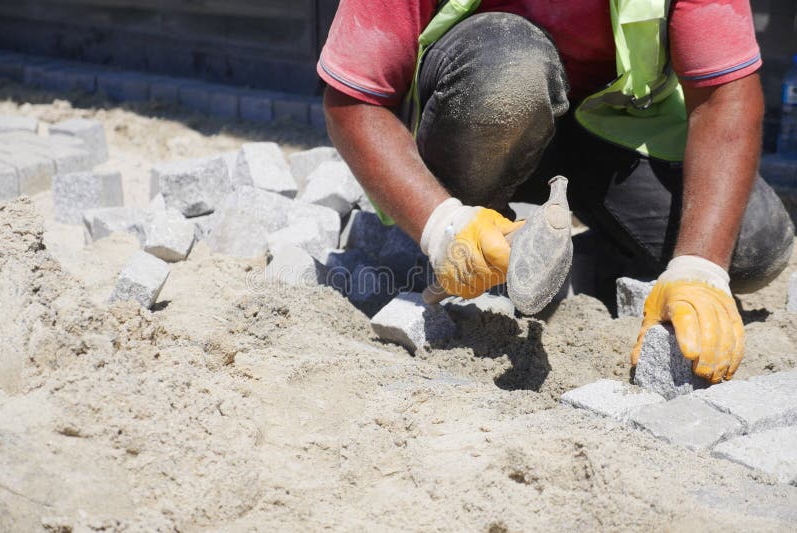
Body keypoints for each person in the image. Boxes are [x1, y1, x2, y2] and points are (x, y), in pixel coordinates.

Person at [318, 0, 795, 383]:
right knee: (510, 67)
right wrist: (441, 224)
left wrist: (699, 265)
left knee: (754, 245)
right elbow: (355, 98)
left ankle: (572, 263)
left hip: (607, 133)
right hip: (481, 122)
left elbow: (726, 96)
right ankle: (479, 244)